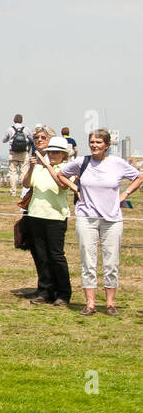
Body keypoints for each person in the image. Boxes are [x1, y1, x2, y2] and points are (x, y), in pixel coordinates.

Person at [57, 129, 142, 316]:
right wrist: (75, 188)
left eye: (98, 142)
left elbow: (139, 177)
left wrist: (125, 194)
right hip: (86, 217)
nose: (94, 145)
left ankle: (110, 304)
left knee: (111, 261)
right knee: (88, 260)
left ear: (106, 145)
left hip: (112, 219)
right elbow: (61, 174)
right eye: (92, 142)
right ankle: (90, 303)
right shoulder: (82, 162)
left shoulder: (117, 163)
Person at [21, 136, 74, 306]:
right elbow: (27, 183)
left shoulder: (67, 168)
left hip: (55, 217)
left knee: (56, 256)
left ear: (64, 155)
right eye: (50, 151)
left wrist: (48, 166)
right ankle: (45, 291)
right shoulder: (40, 168)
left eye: (56, 152)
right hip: (36, 214)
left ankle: (63, 293)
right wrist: (31, 168)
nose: (52, 154)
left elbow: (62, 185)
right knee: (42, 256)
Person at [2, 114, 31, 197]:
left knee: (13, 173)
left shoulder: (10, 129)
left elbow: (4, 140)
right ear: (22, 120)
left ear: (14, 120)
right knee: (24, 172)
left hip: (13, 153)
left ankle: (13, 192)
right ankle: (24, 192)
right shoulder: (26, 129)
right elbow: (31, 138)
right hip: (23, 153)